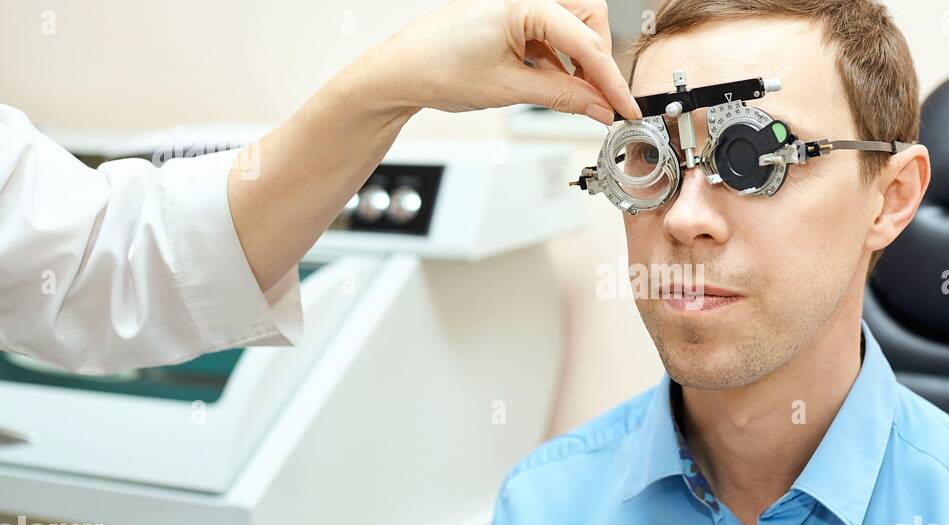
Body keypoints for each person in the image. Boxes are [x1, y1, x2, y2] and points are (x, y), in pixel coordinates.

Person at [481, 0, 949, 525]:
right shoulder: (540, 522)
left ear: (890, 198)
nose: (684, 217)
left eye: (753, 156)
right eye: (652, 156)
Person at [0, 0, 639, 374]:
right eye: (649, 159)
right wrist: (400, 80)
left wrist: (397, 80)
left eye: (736, 158)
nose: (692, 217)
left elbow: (112, 266)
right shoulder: (547, 514)